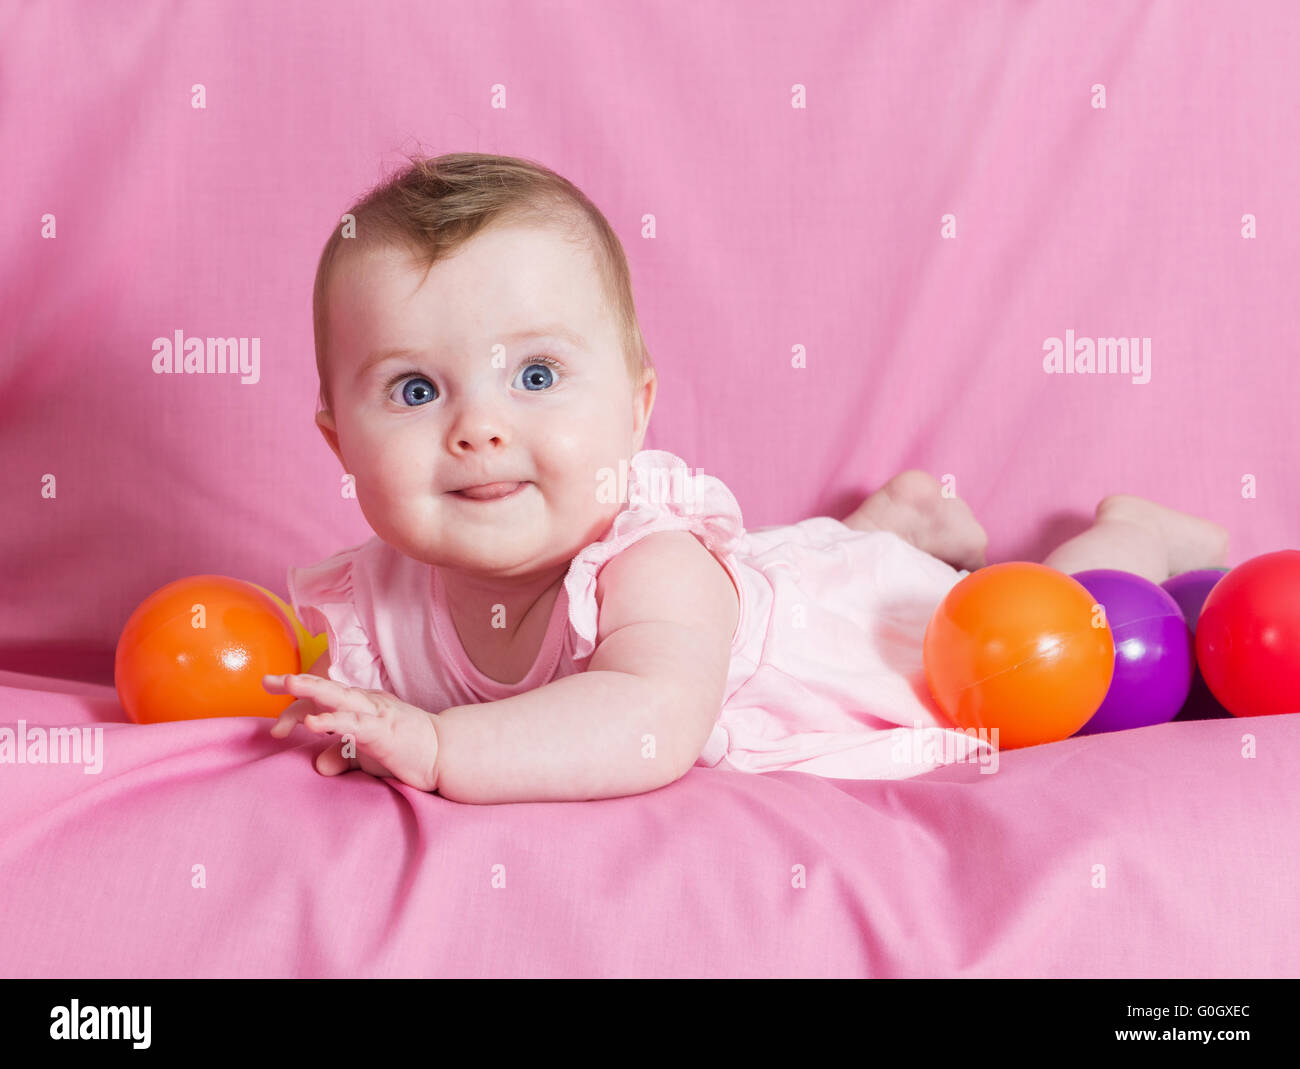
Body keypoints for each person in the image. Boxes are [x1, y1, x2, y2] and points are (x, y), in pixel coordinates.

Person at [264, 153, 1229, 803]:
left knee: (1067, 623)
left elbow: (649, 719)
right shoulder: (374, 597)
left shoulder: (651, 564)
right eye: (417, 387)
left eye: (537, 376)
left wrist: (436, 750)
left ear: (637, 412)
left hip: (917, 644)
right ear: (337, 440)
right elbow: (345, 699)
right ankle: (888, 526)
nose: (479, 428)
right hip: (780, 582)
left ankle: (1132, 532)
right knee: (826, 559)